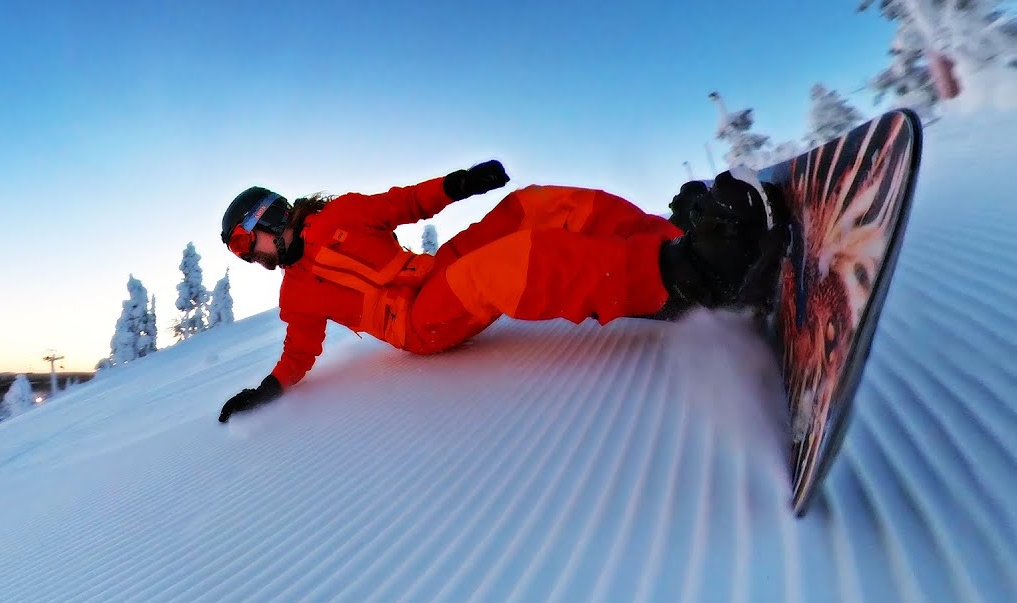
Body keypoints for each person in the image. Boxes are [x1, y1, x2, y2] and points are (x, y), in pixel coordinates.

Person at [216, 160, 781, 423]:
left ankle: (676, 240)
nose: (253, 256)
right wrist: (269, 388)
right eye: (243, 254)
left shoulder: (340, 214)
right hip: (419, 322)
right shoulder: (297, 294)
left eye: (247, 244)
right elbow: (300, 351)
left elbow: (404, 202)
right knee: (509, 265)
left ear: (267, 219)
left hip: (434, 276)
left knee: (532, 207)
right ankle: (688, 277)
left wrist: (459, 185)